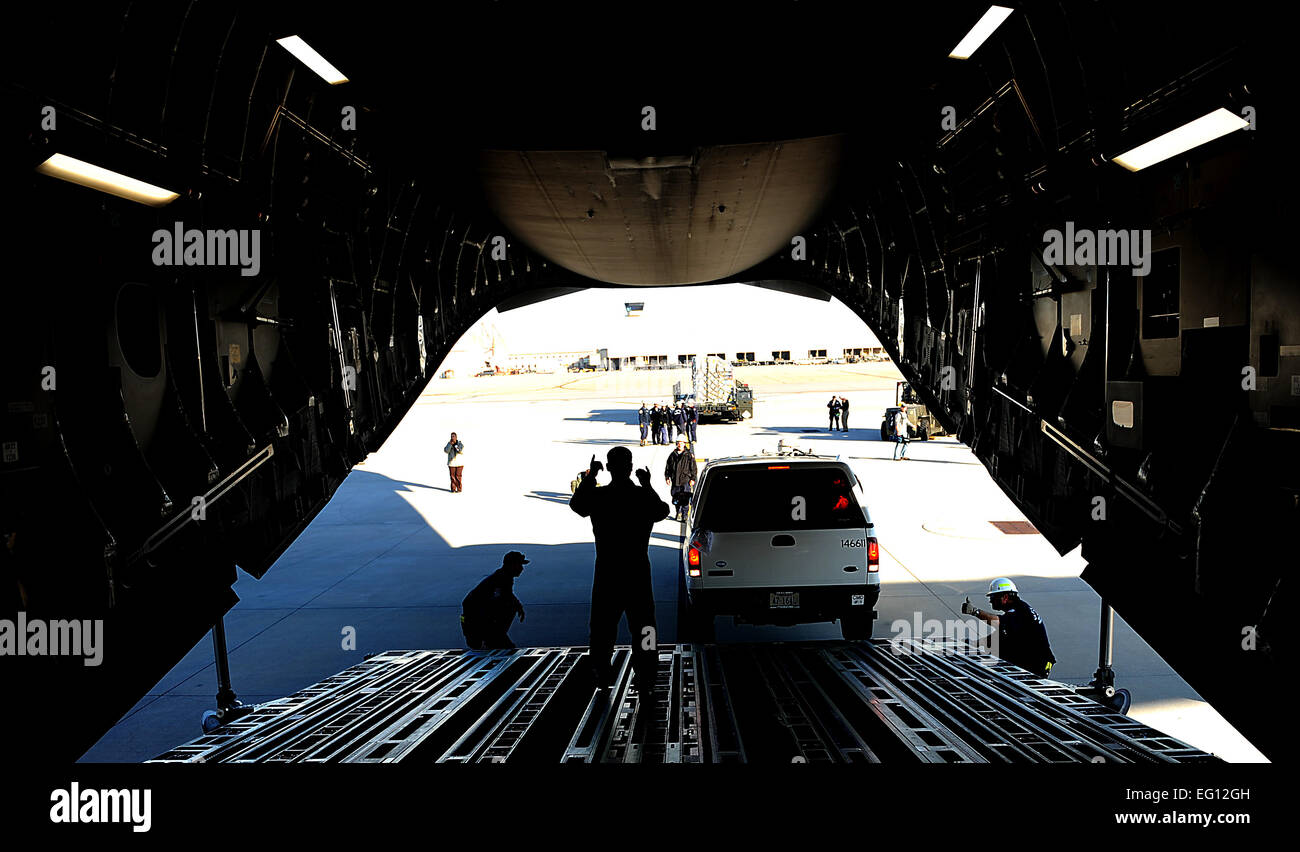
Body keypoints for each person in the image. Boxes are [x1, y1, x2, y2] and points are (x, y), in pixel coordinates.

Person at [569, 446, 670, 692]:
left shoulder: (599, 497)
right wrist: (646, 484)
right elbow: (662, 510)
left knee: (602, 629)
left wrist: (591, 477)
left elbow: (577, 505)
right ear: (630, 466)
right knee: (645, 627)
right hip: (637, 573)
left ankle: (602, 673)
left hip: (608, 573)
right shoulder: (641, 496)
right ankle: (647, 673)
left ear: (609, 467)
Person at [963, 578, 1057, 678]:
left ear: (1005, 597)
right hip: (1033, 659)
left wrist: (974, 612)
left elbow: (997, 622)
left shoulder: (1021, 612)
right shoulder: (1018, 610)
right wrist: (975, 644)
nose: (991, 601)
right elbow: (999, 637)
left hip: (1036, 665)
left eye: (993, 597)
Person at [461, 551, 530, 649]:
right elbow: (494, 603)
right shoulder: (500, 580)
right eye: (519, 565)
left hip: (479, 620)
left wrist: (518, 606)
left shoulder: (504, 578)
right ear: (511, 565)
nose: (522, 569)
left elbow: (508, 595)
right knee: (503, 649)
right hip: (476, 621)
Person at [664, 439, 698, 522]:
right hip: (675, 480)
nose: (679, 444)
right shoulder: (672, 455)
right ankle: (678, 513)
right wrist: (667, 477)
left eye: (681, 443)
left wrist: (693, 478)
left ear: (684, 444)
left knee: (685, 498)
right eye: (678, 443)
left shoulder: (689, 455)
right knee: (676, 497)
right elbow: (668, 467)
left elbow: (693, 468)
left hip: (685, 480)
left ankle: (685, 514)